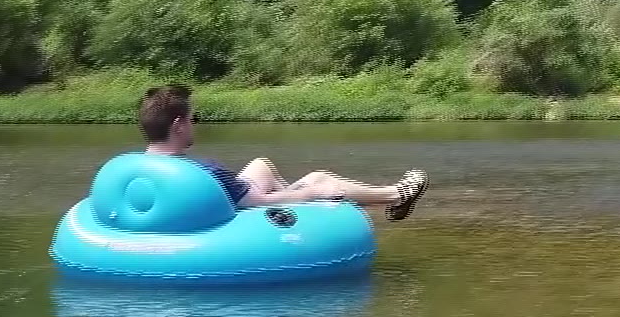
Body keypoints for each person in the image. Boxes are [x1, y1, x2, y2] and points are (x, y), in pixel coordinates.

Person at [137, 84, 429, 220]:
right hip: (243, 206)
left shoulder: (136, 166)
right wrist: (311, 194)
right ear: (178, 126)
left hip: (216, 199)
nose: (194, 126)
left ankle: (316, 211)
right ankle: (396, 195)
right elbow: (256, 202)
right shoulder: (204, 171)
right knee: (321, 182)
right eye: (192, 120)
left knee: (261, 165)